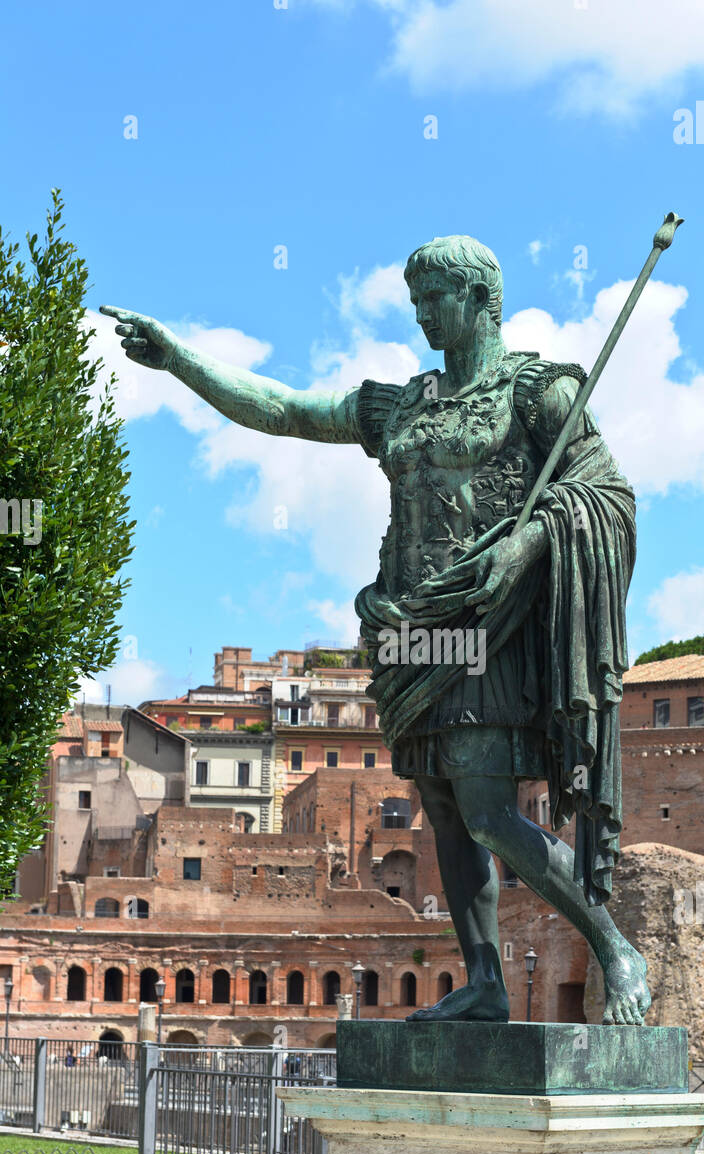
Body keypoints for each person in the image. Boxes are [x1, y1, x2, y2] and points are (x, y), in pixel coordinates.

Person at [101, 234, 650, 1025]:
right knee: (446, 809)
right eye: (414, 300)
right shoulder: (401, 404)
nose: (422, 315)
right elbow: (286, 410)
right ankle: (486, 980)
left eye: (435, 298)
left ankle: (614, 947)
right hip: (405, 633)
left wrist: (530, 541)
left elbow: (606, 493)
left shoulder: (538, 394)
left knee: (488, 806)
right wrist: (182, 359)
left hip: (486, 627)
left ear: (479, 299)